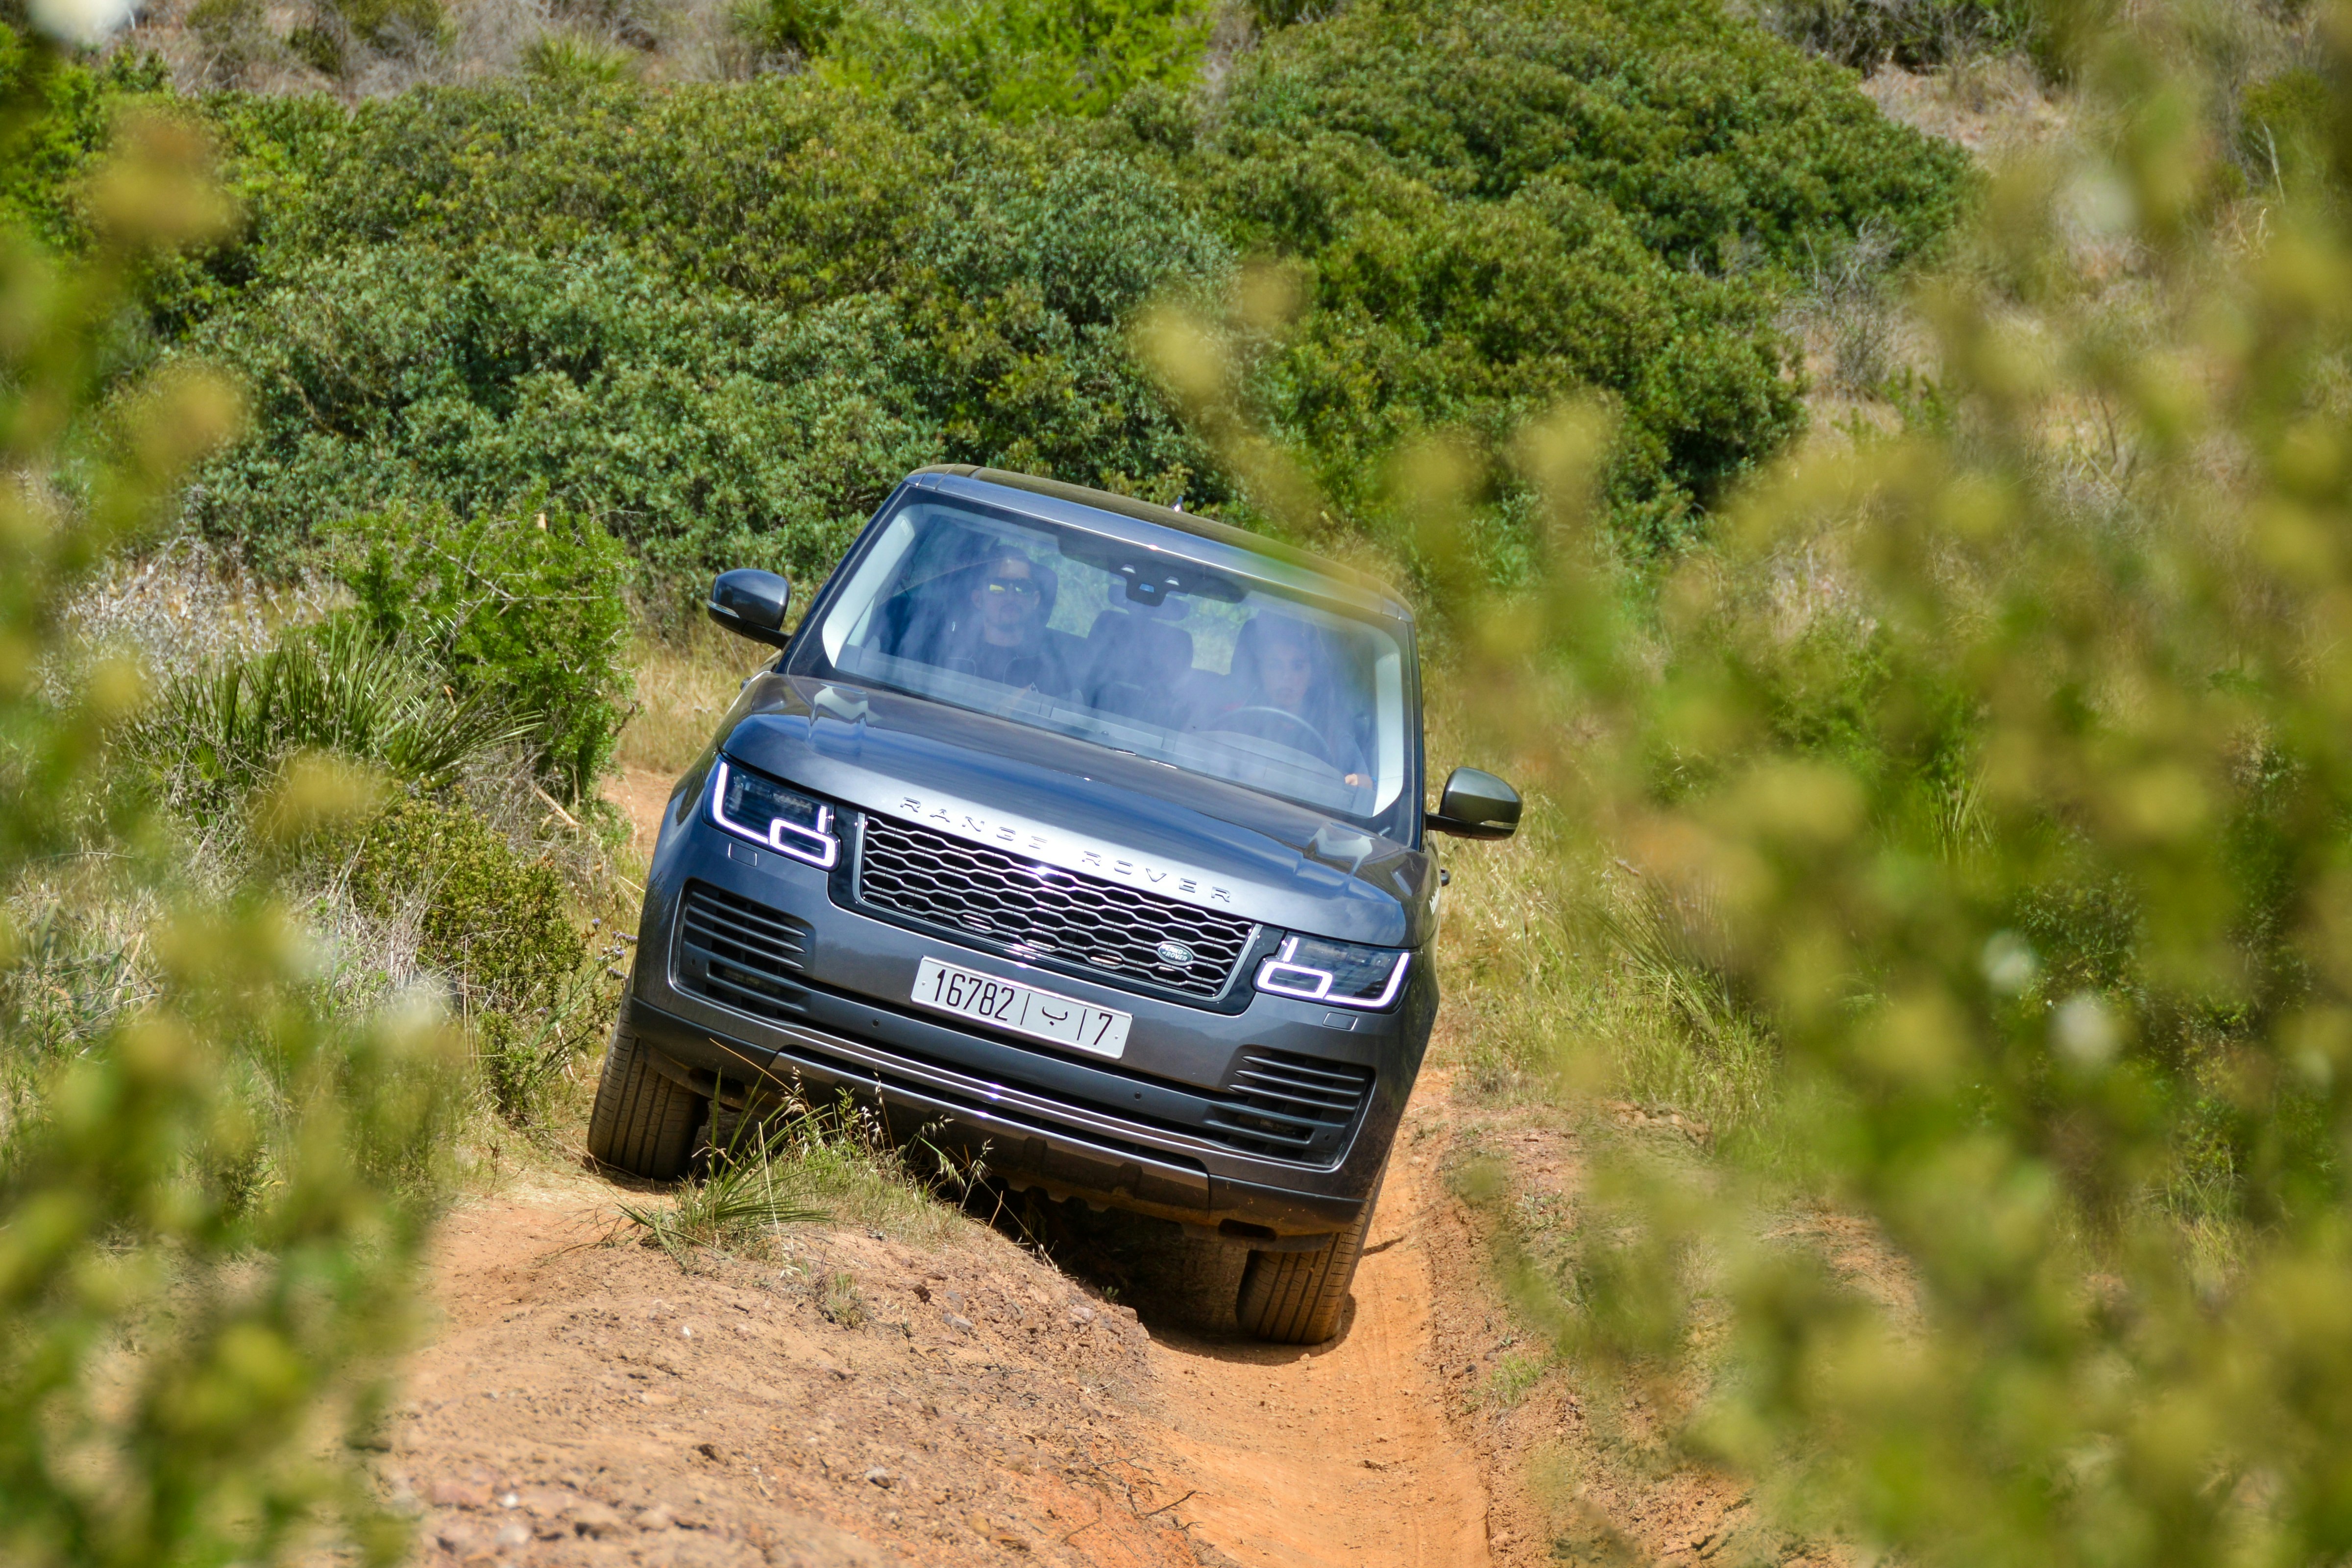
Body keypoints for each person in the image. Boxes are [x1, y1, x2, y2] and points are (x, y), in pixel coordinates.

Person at [1217, 612, 1369, 787]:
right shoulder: (1235, 718)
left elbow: (1367, 786)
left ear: (1312, 675)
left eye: (1297, 666)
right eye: (1275, 665)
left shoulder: (1333, 733)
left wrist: (1364, 783)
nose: (1286, 676)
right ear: (1261, 672)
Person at [935, 548, 1075, 698]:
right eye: (998, 586)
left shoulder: (1050, 666)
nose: (1011, 596)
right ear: (978, 599)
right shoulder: (948, 654)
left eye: (1023, 588)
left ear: (1035, 600)